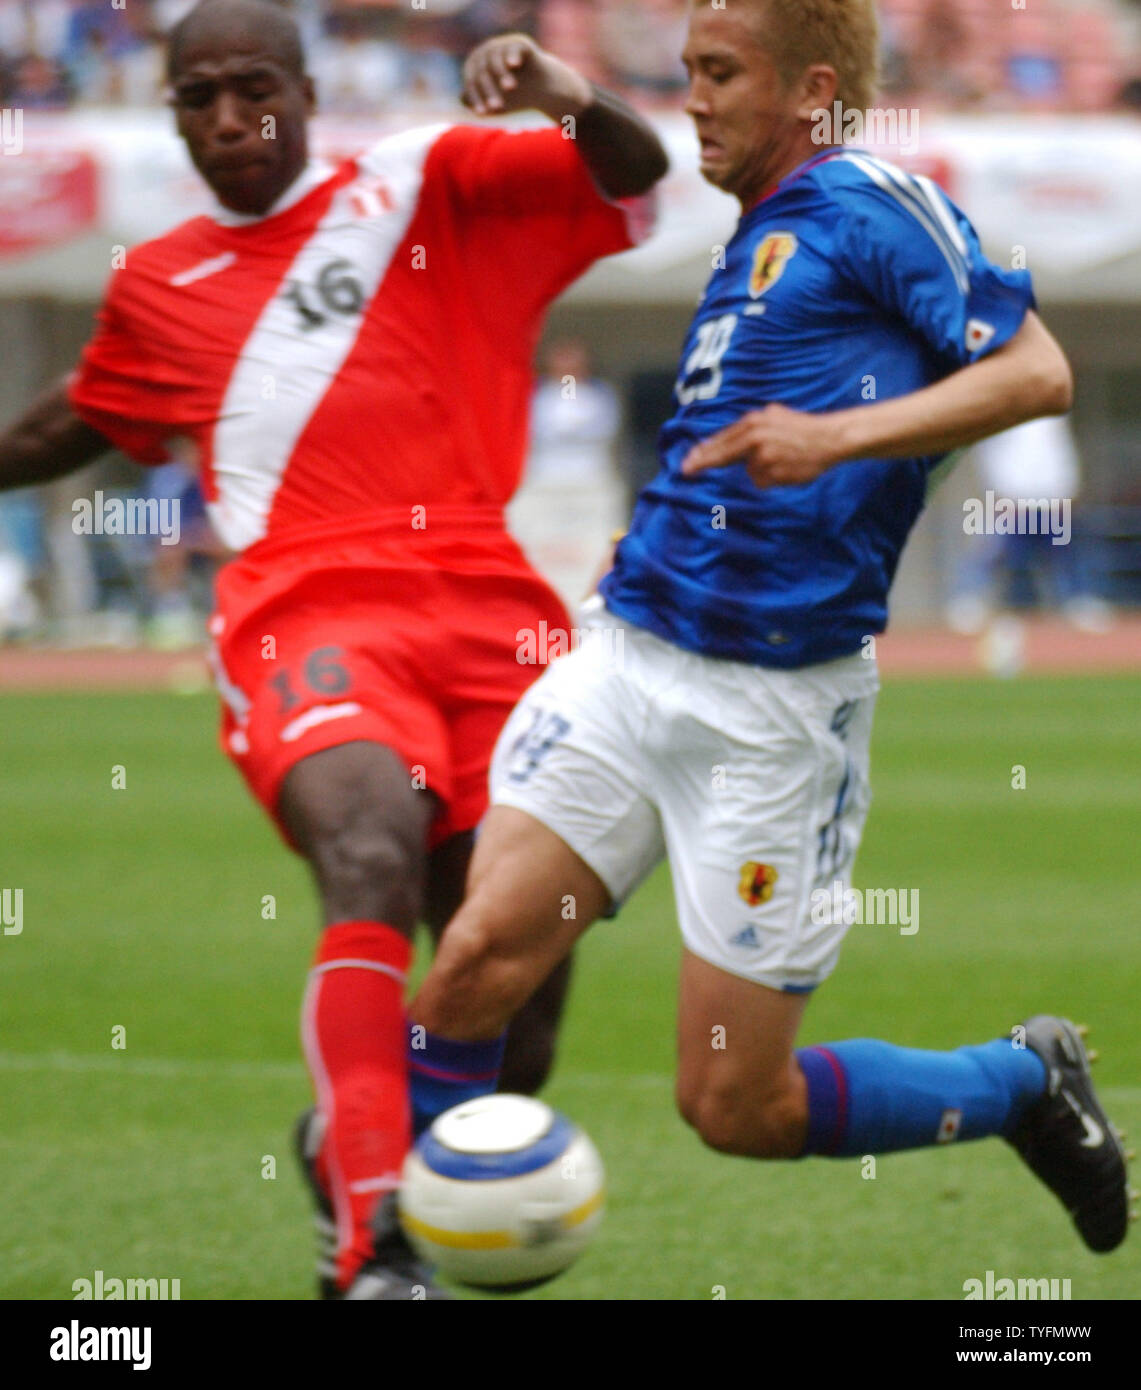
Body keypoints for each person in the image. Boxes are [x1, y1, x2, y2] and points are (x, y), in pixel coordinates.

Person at [408, 0, 1131, 1269]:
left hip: (771, 719)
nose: (693, 96)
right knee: (469, 964)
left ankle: (1019, 1081)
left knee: (734, 1107)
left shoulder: (868, 199)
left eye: (718, 73)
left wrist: (834, 436)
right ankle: (388, 1254)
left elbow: (1035, 372)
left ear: (807, 90)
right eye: (685, 70)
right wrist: (569, 93)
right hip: (630, 662)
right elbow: (633, 159)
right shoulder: (759, 225)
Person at [0, 0, 666, 1299]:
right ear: (173, 109)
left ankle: (357, 1131)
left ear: (307, 91)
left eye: (254, 88)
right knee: (365, 849)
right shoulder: (158, 283)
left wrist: (559, 89)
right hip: (305, 608)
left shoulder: (429, 178)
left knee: (513, 992)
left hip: (494, 607)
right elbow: (63, 423)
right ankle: (372, 1236)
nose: (231, 118)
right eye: (199, 98)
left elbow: (634, 177)